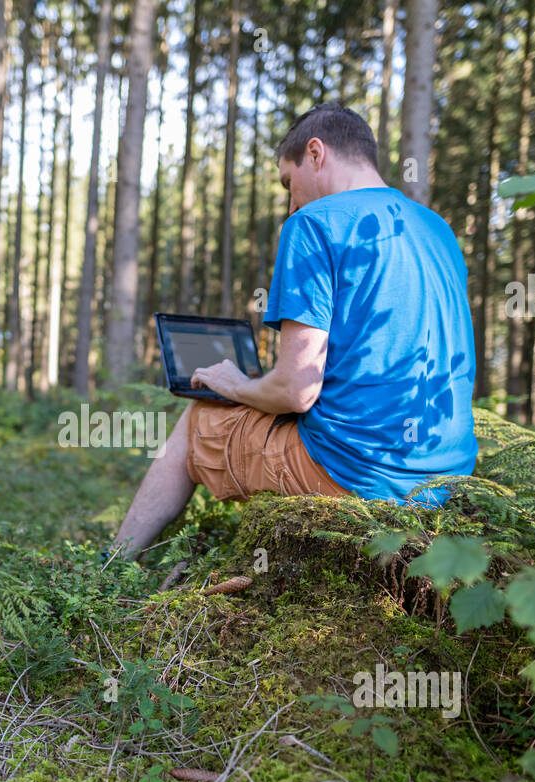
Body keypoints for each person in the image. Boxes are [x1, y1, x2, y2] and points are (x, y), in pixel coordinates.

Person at [113, 102, 478, 559]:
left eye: (289, 182)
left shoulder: (313, 224)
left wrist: (238, 384)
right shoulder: (438, 229)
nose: (291, 202)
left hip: (358, 478)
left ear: (315, 153)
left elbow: (296, 391)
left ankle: (113, 567)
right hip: (446, 477)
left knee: (197, 420)